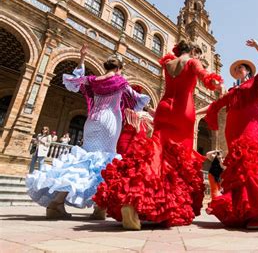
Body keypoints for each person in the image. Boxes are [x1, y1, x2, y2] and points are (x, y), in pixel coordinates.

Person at [93, 40, 223, 230]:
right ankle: (164, 205)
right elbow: (206, 78)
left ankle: (132, 199)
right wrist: (215, 82)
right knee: (178, 161)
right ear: (194, 51)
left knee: (155, 154)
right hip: (183, 112)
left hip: (164, 108)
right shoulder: (193, 62)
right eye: (199, 54)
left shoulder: (168, 63)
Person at [26, 44, 150, 219]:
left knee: (85, 159)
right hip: (109, 122)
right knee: (105, 161)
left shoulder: (92, 81)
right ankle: (100, 208)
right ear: (118, 69)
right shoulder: (120, 81)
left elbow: (75, 81)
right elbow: (136, 99)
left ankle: (57, 203)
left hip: (92, 121)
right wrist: (150, 111)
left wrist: (82, 58)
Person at [199, 39, 258, 229]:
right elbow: (214, 106)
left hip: (250, 127)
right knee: (238, 171)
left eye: (240, 69)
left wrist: (257, 45)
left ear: (248, 71)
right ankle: (246, 211)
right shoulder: (232, 91)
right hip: (232, 131)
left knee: (249, 165)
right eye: (235, 70)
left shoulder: (256, 82)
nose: (237, 72)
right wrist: (188, 114)